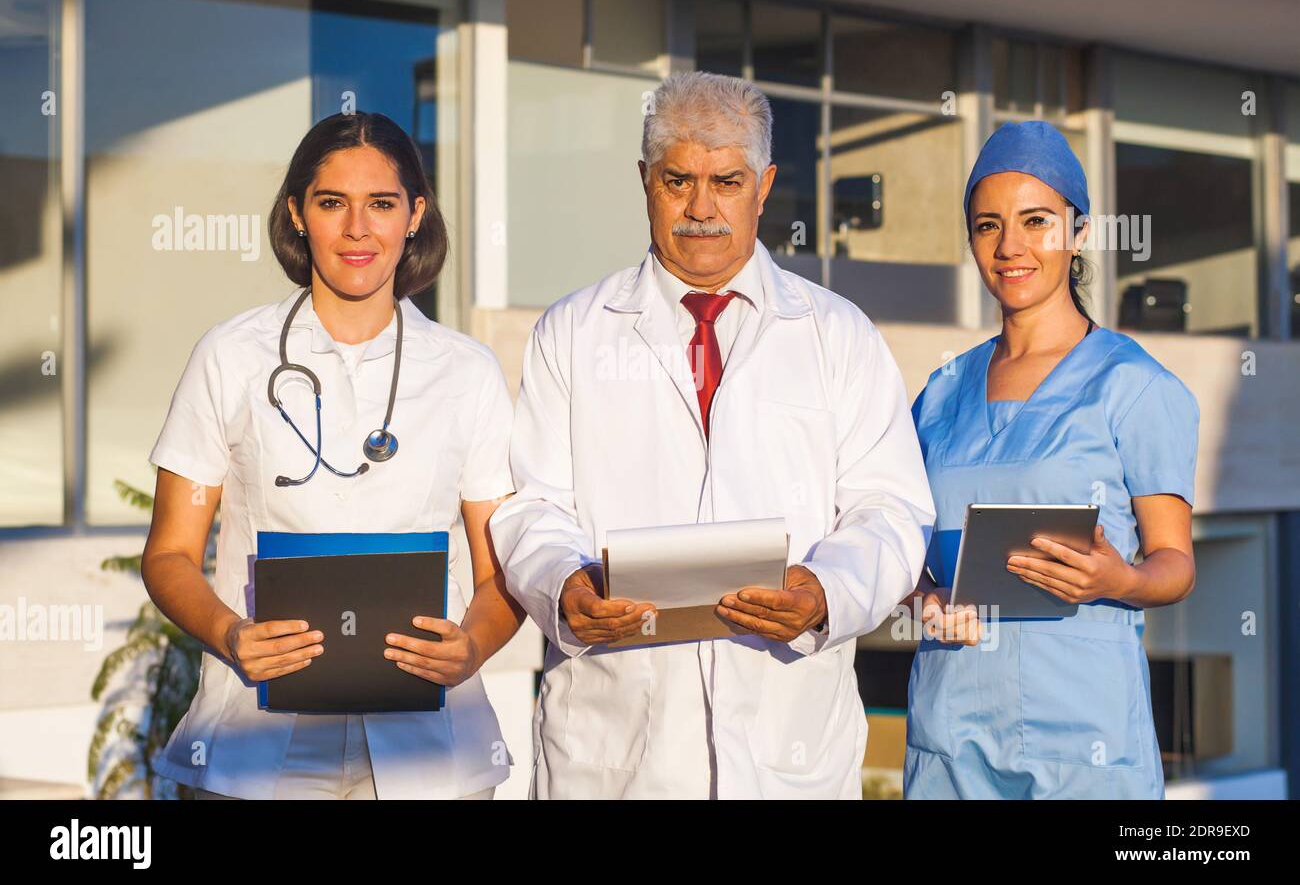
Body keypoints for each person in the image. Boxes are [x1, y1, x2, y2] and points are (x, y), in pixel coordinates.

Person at [488, 72, 935, 799]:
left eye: (726, 182)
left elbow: (891, 509)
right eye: (677, 181)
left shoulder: (837, 334)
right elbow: (532, 506)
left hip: (787, 750)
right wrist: (563, 585)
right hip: (615, 753)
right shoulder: (571, 333)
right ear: (643, 180)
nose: (701, 208)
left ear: (765, 185)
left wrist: (826, 591)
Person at [140, 111, 524, 799]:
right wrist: (231, 634)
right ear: (296, 214)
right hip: (258, 744)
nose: (357, 228)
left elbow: (502, 577)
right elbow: (169, 555)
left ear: (415, 216)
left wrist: (471, 648)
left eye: (381, 204)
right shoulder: (230, 357)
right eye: (330, 203)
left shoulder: (468, 373)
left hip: (427, 753)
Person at [900, 120, 1199, 799]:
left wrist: (1115, 580)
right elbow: (897, 548)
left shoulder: (1134, 386)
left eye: (1036, 222)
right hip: (952, 733)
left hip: (1083, 740)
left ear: (1078, 230)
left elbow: (1174, 565)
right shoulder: (941, 393)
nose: (1011, 248)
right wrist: (924, 598)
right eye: (987, 226)